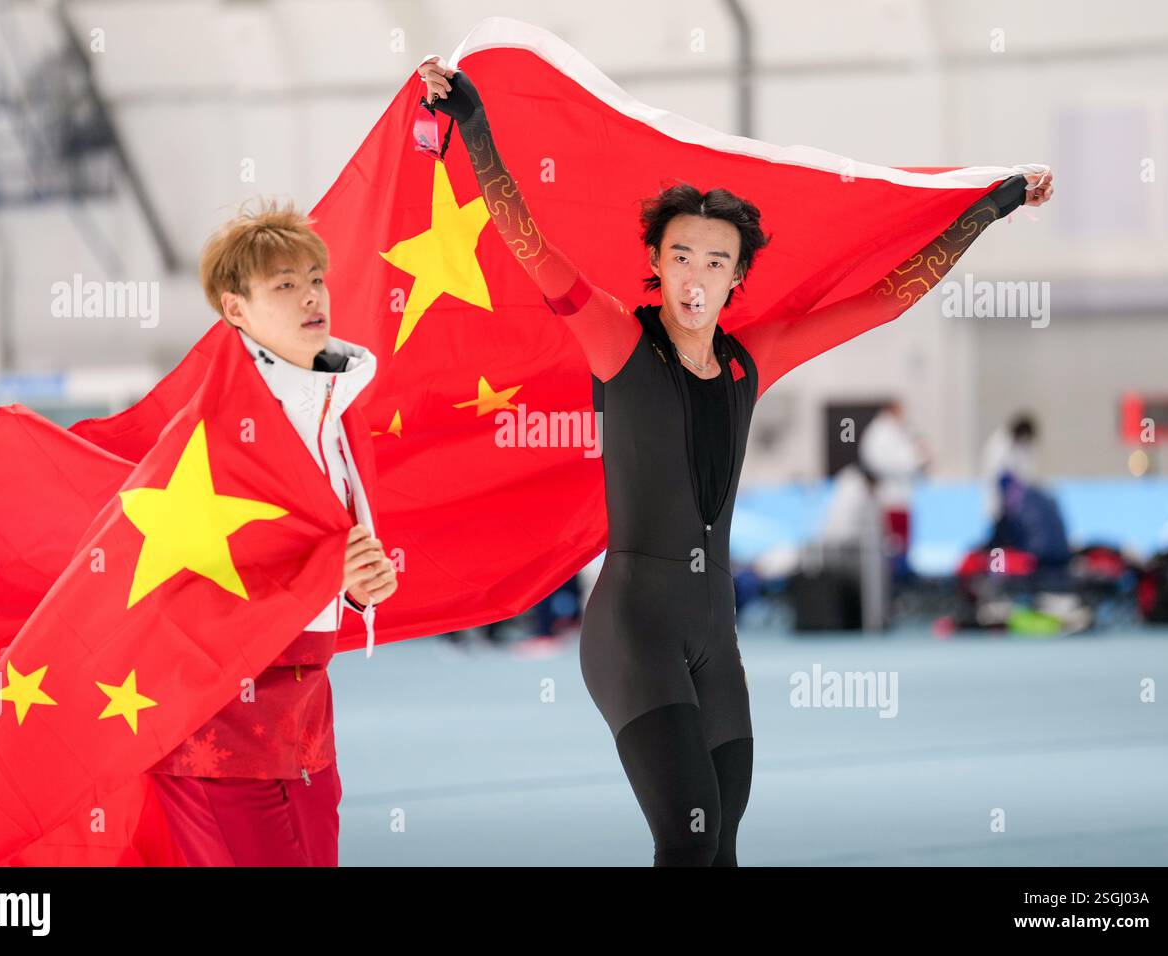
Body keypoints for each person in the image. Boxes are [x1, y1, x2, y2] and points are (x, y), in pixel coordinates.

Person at [419, 55, 1052, 865]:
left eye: (716, 262)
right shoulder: (621, 345)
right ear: (656, 261)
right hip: (633, 631)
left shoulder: (757, 359)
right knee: (686, 840)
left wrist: (987, 208)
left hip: (714, 633)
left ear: (737, 279)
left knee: (720, 848)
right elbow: (530, 246)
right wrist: (475, 126)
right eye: (681, 256)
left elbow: (892, 295)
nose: (695, 276)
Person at [148, 200, 399, 866]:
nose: (311, 295)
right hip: (226, 724)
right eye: (283, 285)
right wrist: (327, 576)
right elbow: (186, 581)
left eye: (314, 277)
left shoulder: (340, 412)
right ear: (236, 310)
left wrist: (359, 592)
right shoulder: (214, 429)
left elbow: (319, 558)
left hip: (307, 715)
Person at [858, 400, 930, 579]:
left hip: (901, 495)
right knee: (893, 541)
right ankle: (894, 573)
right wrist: (915, 461)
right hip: (890, 496)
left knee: (903, 539)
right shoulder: (880, 433)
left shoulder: (899, 431)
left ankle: (902, 568)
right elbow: (884, 461)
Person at [981, 412, 1039, 523]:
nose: (1025, 442)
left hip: (1018, 507)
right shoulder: (999, 444)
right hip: (999, 504)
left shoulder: (1025, 447)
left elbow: (1026, 476)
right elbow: (996, 474)